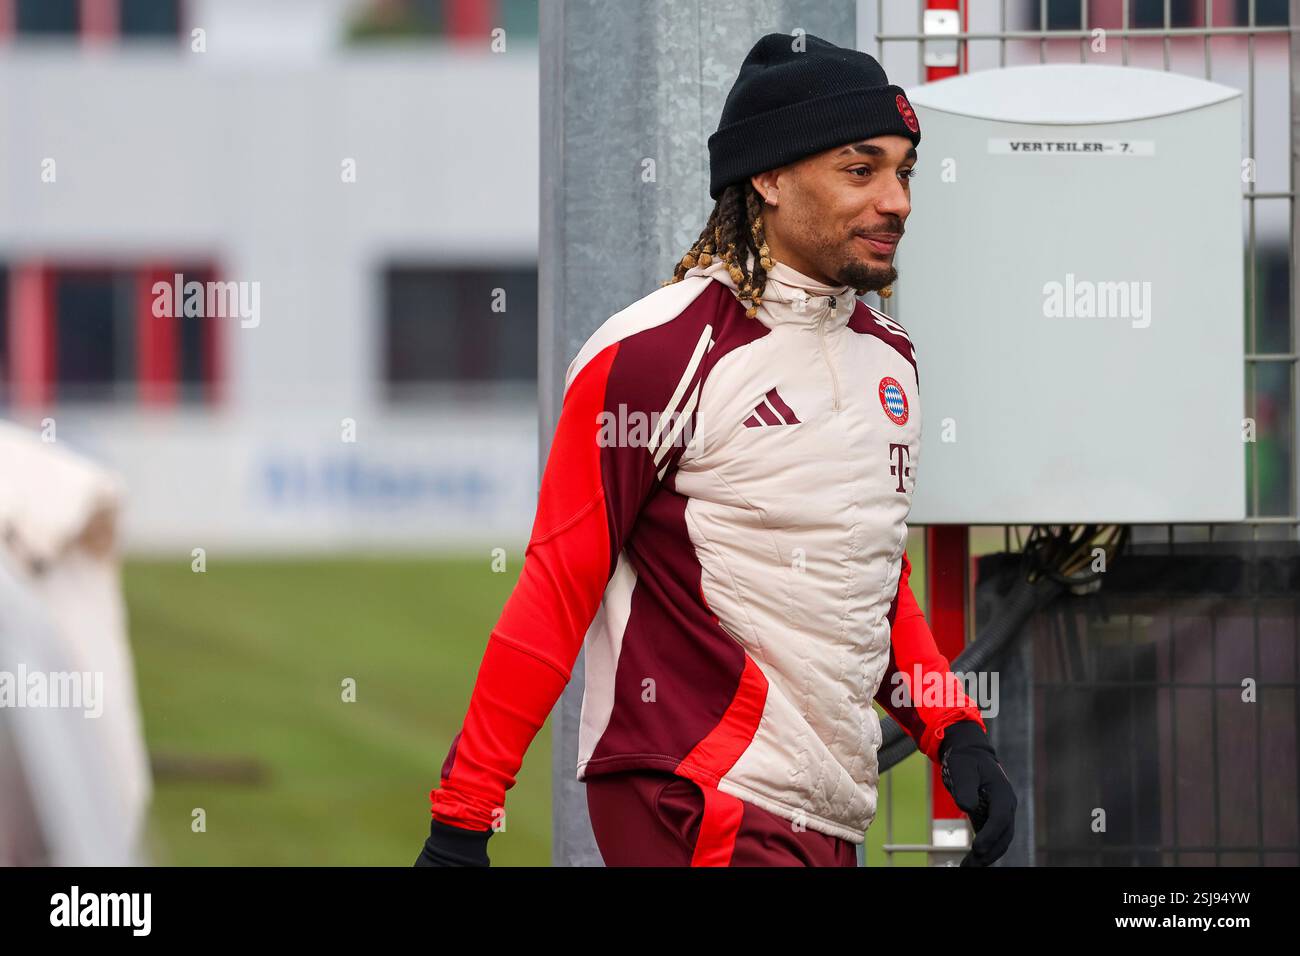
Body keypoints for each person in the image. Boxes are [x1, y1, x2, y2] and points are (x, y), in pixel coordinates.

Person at [416, 32, 1016, 867]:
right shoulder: (657, 350)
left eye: (904, 172)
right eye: (860, 169)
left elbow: (872, 579)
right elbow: (559, 583)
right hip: (696, 791)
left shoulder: (893, 359)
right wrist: (463, 820)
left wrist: (954, 730)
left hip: (825, 809)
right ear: (768, 178)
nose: (897, 201)